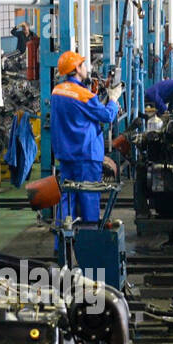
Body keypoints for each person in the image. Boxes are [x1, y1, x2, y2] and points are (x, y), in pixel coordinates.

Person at [50, 50, 122, 222]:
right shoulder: (84, 95)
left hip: (66, 155)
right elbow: (106, 116)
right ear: (76, 68)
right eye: (82, 64)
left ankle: (61, 244)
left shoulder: (57, 91)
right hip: (86, 156)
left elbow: (80, 113)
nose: (86, 67)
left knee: (67, 200)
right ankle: (90, 243)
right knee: (89, 199)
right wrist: (113, 99)